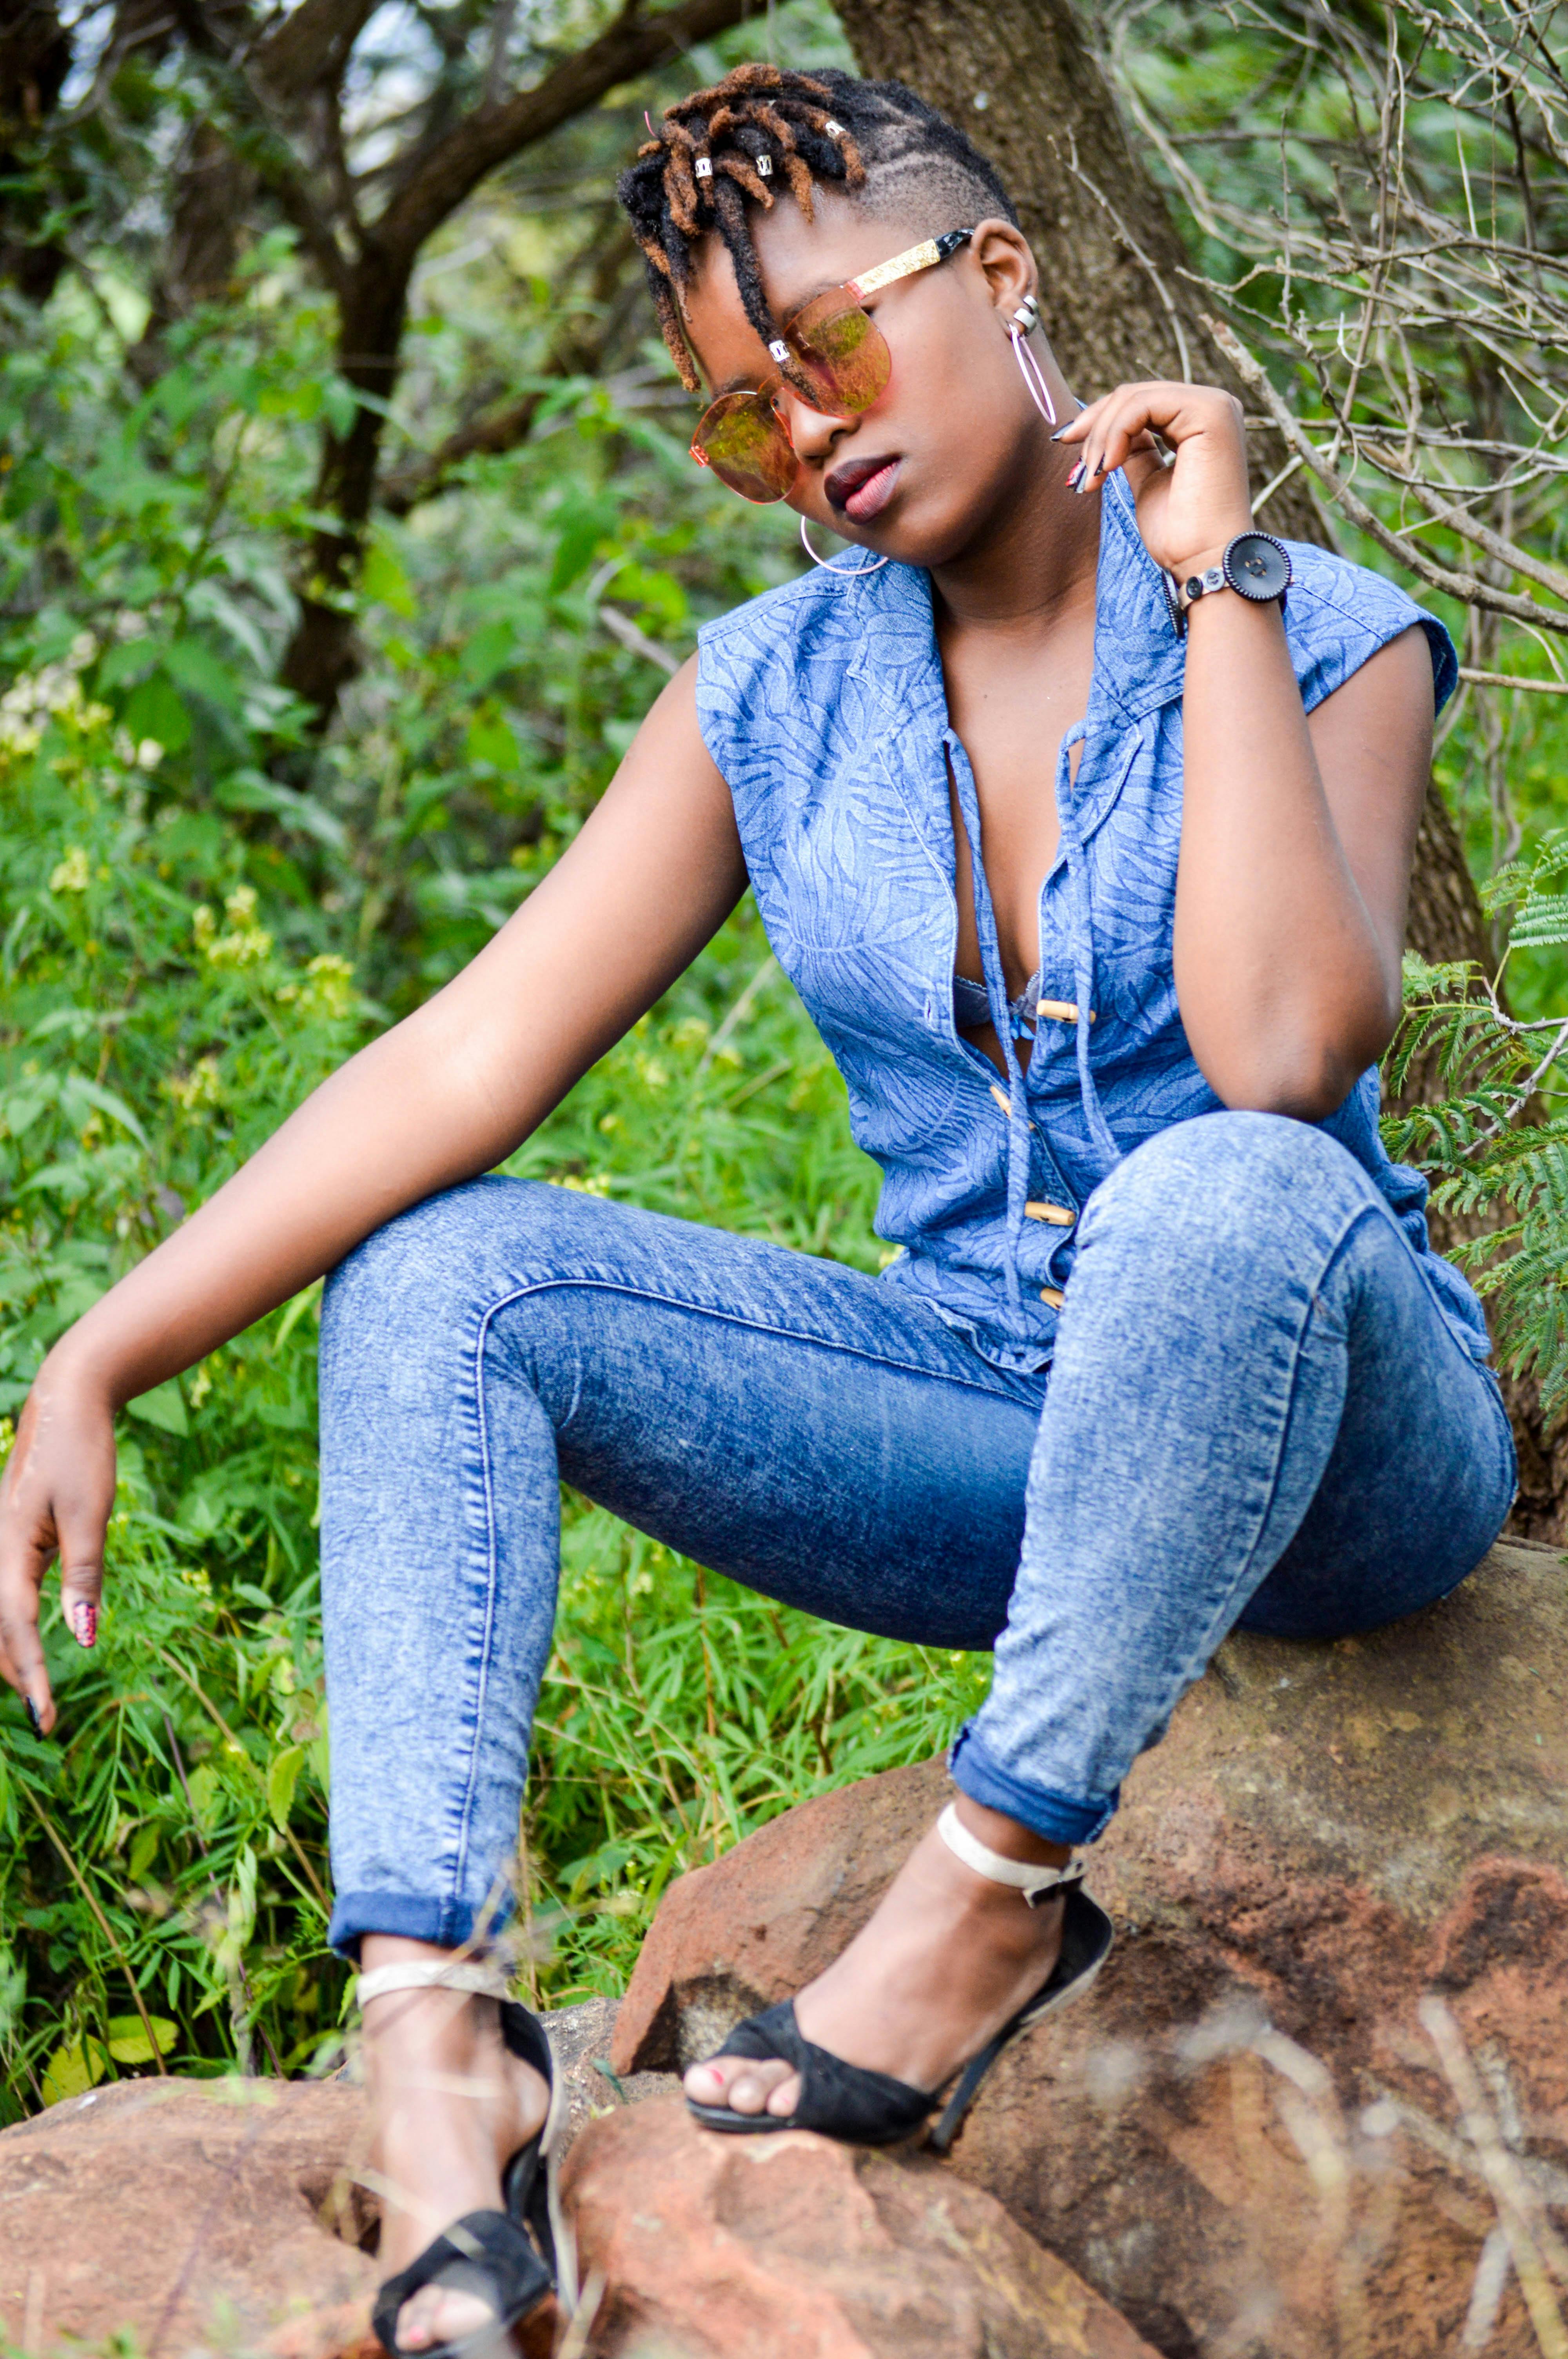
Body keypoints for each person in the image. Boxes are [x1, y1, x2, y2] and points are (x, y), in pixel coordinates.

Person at [0, 60, 1515, 2358]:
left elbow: (1287, 1056)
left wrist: (1212, 584)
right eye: (740, 416)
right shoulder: (776, 696)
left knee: (1225, 1188)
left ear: (1000, 272)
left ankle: (991, 1895)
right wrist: (101, 1347)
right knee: (451, 1272)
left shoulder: (1328, 631)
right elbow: (461, 1062)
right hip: (990, 1421)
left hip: (1330, 1423)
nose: (805, 433)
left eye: (827, 346)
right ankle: (437, 2041)